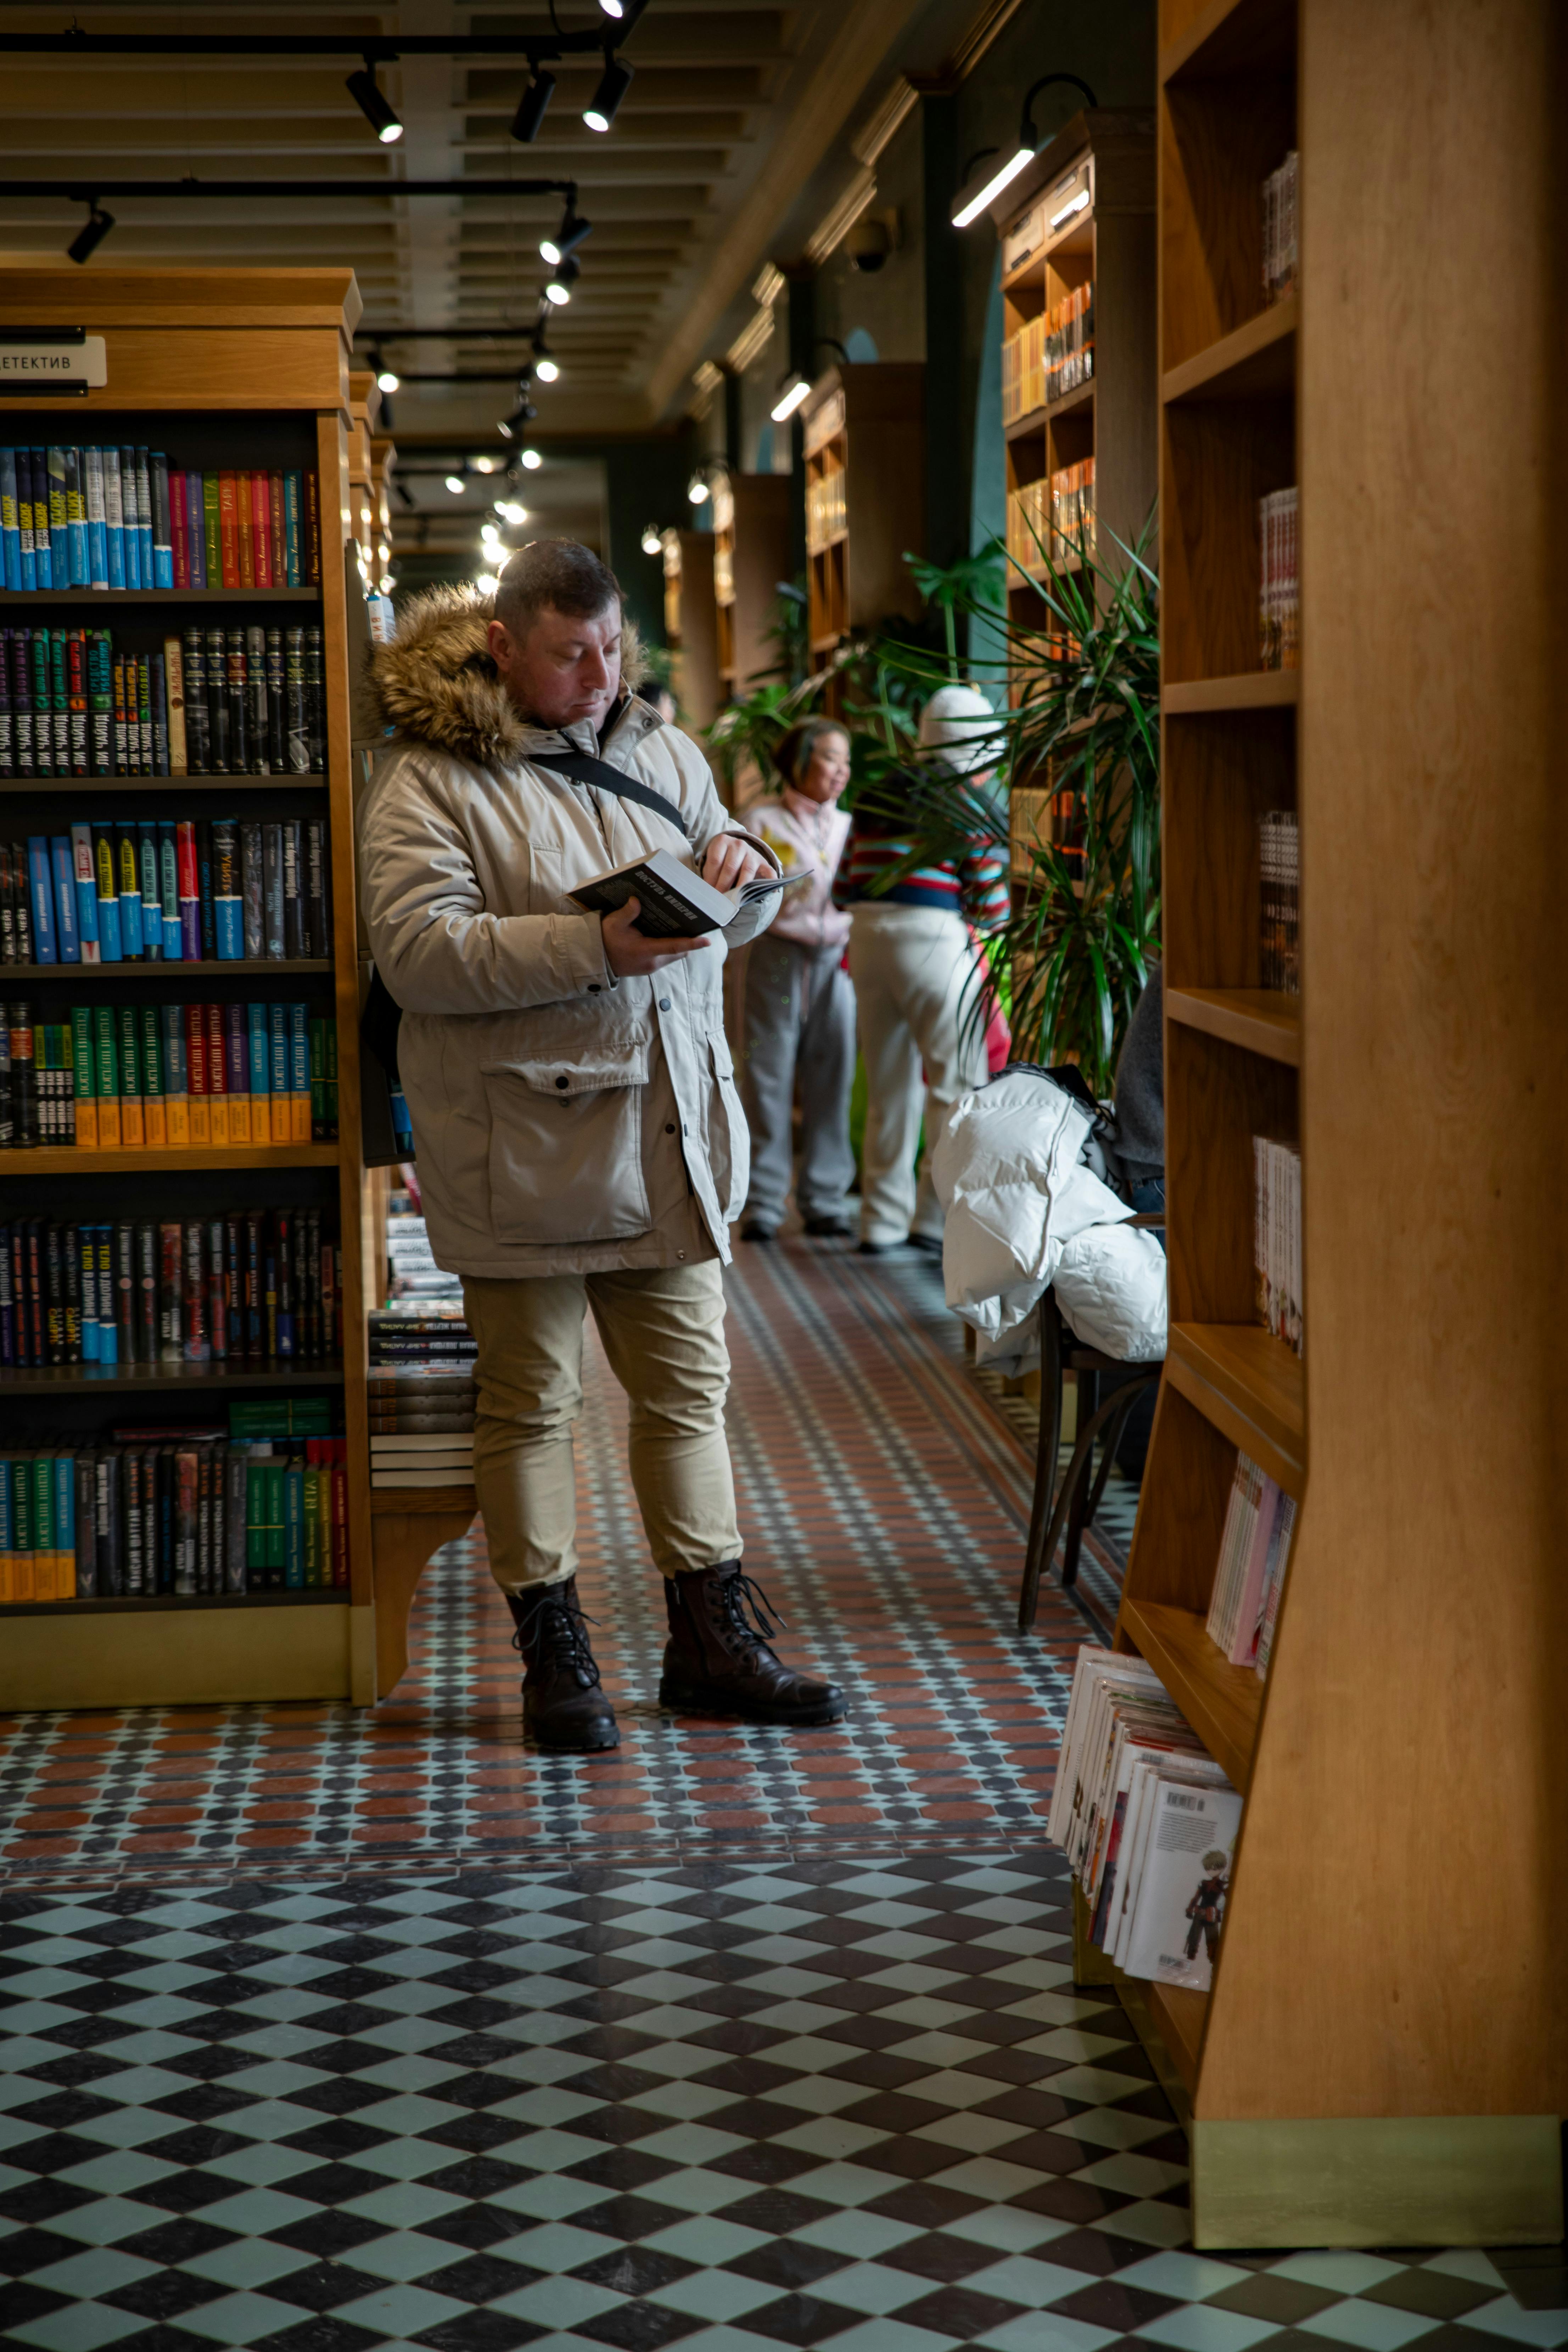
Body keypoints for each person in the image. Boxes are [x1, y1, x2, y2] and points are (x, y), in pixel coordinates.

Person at [358, 539, 846, 1754]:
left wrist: (746, 869)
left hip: (670, 1126)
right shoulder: (430, 777)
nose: (598, 672)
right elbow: (418, 953)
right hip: (518, 1140)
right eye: (570, 653)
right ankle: (554, 1649)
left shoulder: (663, 747)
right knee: (532, 1397)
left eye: (611, 646)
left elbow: (750, 886)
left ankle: (709, 1640)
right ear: (502, 644)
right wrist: (595, 950)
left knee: (690, 1388)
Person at [834, 682, 1010, 1254]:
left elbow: (842, 886)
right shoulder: (967, 798)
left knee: (888, 1085)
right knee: (954, 1083)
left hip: (867, 938)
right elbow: (990, 905)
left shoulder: (878, 789)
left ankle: (879, 1223)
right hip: (934, 940)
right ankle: (936, 1222)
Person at [736, 717, 856, 1242]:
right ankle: (763, 1202)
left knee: (834, 1073)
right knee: (767, 1075)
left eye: (846, 761)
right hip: (777, 956)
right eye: (832, 757)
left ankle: (825, 1198)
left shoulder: (851, 825)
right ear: (800, 760)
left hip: (840, 958)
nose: (842, 771)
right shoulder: (760, 821)